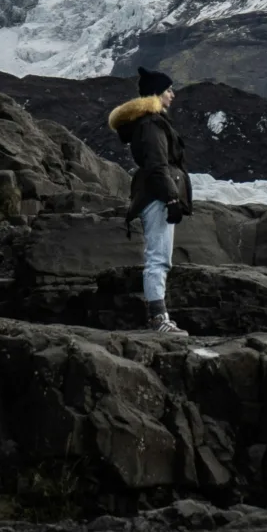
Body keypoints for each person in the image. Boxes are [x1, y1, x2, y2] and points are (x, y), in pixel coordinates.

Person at [109, 67, 193, 335]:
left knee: (159, 257)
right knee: (159, 259)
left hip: (155, 195)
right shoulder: (152, 124)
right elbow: (157, 166)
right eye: (168, 90)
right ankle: (159, 320)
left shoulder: (149, 122)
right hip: (157, 196)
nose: (173, 94)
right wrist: (171, 199)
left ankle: (160, 317)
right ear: (156, 94)